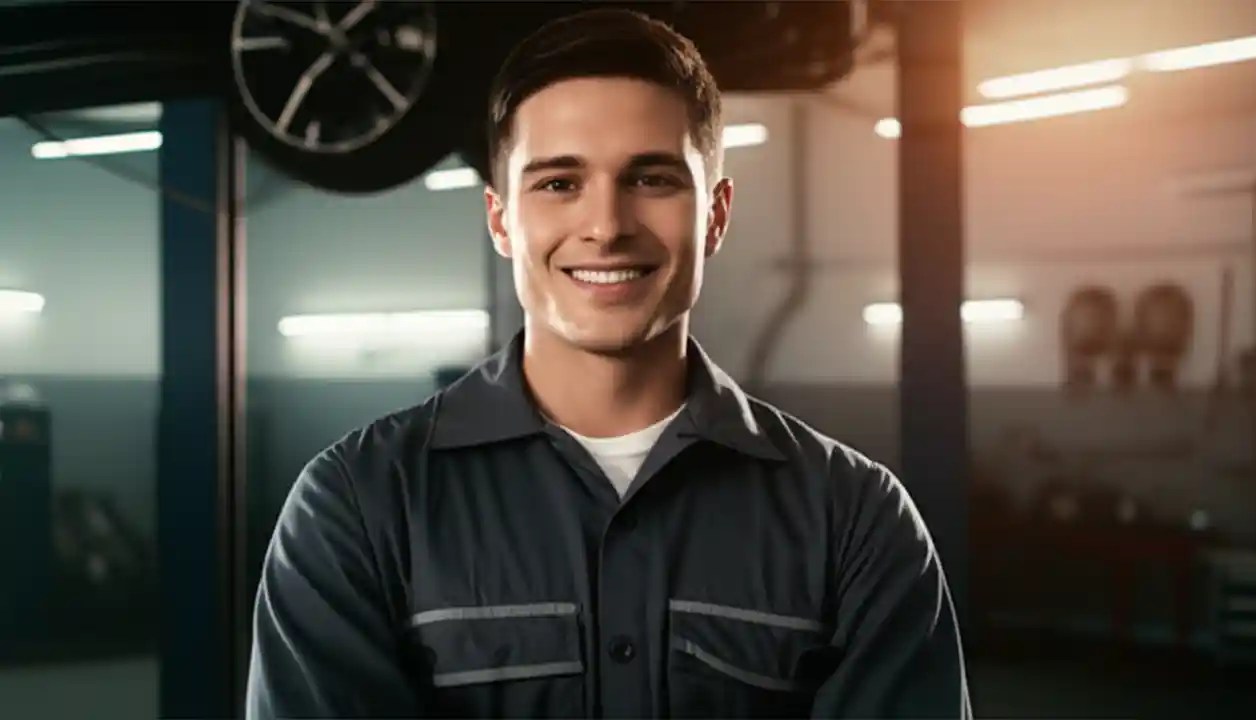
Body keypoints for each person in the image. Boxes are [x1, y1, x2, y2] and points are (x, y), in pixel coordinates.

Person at [247, 8, 970, 719]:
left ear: (715, 214)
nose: (607, 226)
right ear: (501, 219)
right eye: (559, 183)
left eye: (651, 179)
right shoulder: (361, 507)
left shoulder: (853, 520)